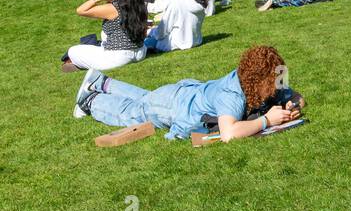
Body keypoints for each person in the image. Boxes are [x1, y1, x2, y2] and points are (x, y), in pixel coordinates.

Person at [72, 44, 305, 141]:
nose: (277, 87)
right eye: (272, 82)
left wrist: (292, 107)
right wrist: (267, 120)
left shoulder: (267, 81)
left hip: (183, 93)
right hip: (173, 107)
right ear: (257, 80)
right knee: (133, 112)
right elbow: (229, 134)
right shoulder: (232, 95)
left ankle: (102, 82)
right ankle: (90, 100)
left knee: (145, 99)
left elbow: (295, 96)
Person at [62, 0, 149, 72]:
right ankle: (82, 64)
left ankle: (78, 64)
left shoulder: (114, 8)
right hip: (140, 52)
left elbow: (80, 10)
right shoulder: (141, 5)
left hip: (119, 57)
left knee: (73, 51)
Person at [143, 0, 208, 52]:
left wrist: (149, 32)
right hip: (195, 40)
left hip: (176, 43)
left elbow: (163, 29)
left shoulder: (177, 0)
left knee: (145, 42)